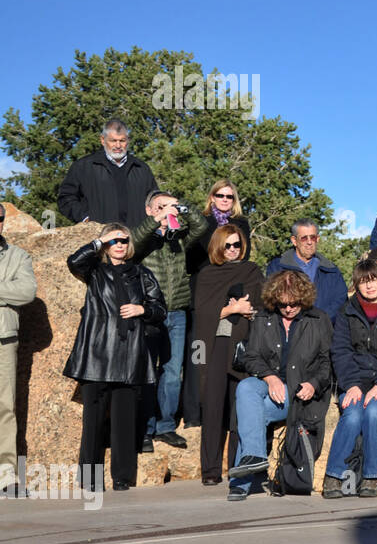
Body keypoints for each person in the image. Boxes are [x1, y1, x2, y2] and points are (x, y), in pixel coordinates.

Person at [64, 225, 165, 491]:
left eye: (123, 240)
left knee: (124, 422)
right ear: (106, 244)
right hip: (97, 354)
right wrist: (98, 241)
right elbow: (74, 261)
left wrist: (142, 308)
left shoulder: (142, 274)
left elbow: (160, 309)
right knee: (93, 422)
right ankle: (89, 478)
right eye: (113, 240)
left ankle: (122, 477)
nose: (119, 244)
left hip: (129, 354)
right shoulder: (94, 271)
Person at [228, 270, 334, 500]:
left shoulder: (319, 320)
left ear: (303, 298)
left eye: (294, 303)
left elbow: (327, 364)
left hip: (298, 391)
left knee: (250, 413)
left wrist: (314, 384)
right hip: (268, 384)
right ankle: (255, 457)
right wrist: (270, 377)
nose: (288, 308)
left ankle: (240, 483)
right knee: (245, 387)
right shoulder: (263, 318)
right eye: (282, 304)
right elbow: (251, 356)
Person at [322, 260, 377, 499]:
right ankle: (333, 476)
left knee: (373, 411)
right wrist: (351, 384)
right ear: (356, 285)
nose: (369, 285)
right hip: (355, 380)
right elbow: (340, 351)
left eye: (373, 279)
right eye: (363, 281)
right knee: (352, 413)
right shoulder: (346, 311)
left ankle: (371, 477)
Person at [130, 190, 207, 451]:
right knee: (148, 371)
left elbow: (202, 225)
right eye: (160, 207)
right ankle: (145, 429)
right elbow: (134, 241)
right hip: (150, 314)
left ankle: (165, 426)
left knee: (173, 373)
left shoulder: (180, 240)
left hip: (177, 313)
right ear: (149, 210)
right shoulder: (143, 238)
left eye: (170, 206)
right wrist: (158, 219)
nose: (166, 211)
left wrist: (181, 209)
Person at [191, 224, 264, 485]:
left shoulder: (252, 270)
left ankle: (237, 465)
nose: (233, 250)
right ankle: (210, 470)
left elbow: (258, 304)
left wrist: (243, 308)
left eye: (237, 245)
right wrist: (231, 309)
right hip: (214, 345)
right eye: (227, 245)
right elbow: (201, 312)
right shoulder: (207, 274)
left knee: (239, 408)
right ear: (217, 247)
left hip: (243, 344)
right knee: (212, 407)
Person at [57, 119, 159, 227]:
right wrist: (85, 218)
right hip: (99, 237)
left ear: (128, 140)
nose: (118, 145)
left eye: (122, 141)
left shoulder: (141, 168)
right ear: (102, 140)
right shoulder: (83, 166)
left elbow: (155, 199)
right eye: (113, 141)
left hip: (136, 237)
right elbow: (65, 198)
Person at [0, 211, 37, 495]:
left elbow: (26, 292)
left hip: (3, 341)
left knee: (4, 409)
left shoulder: (18, 256)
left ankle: (5, 476)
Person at [266, 219, 347, 321]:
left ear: (317, 239)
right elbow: (272, 300)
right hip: (288, 330)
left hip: (323, 330)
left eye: (313, 237)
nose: (309, 242)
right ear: (294, 241)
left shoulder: (331, 271)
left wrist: (319, 320)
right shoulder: (277, 267)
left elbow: (340, 301)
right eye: (304, 238)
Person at [186, 180, 253, 275]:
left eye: (229, 197)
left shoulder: (242, 223)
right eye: (220, 195)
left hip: (234, 274)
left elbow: (245, 252)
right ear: (212, 198)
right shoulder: (200, 221)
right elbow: (192, 253)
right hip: (204, 275)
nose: (225, 199)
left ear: (233, 200)